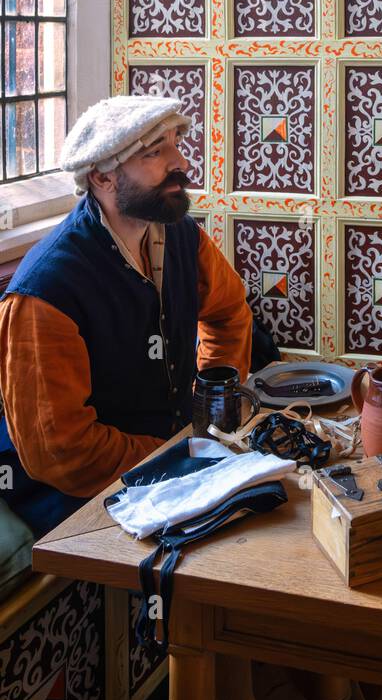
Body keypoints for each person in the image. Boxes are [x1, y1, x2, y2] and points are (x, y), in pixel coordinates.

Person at [0, 95, 253, 537]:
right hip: (79, 493)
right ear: (101, 177)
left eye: (176, 143)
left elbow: (229, 312)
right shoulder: (45, 291)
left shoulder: (181, 237)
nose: (181, 163)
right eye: (155, 152)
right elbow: (61, 452)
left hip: (176, 456)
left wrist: (213, 406)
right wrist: (180, 458)